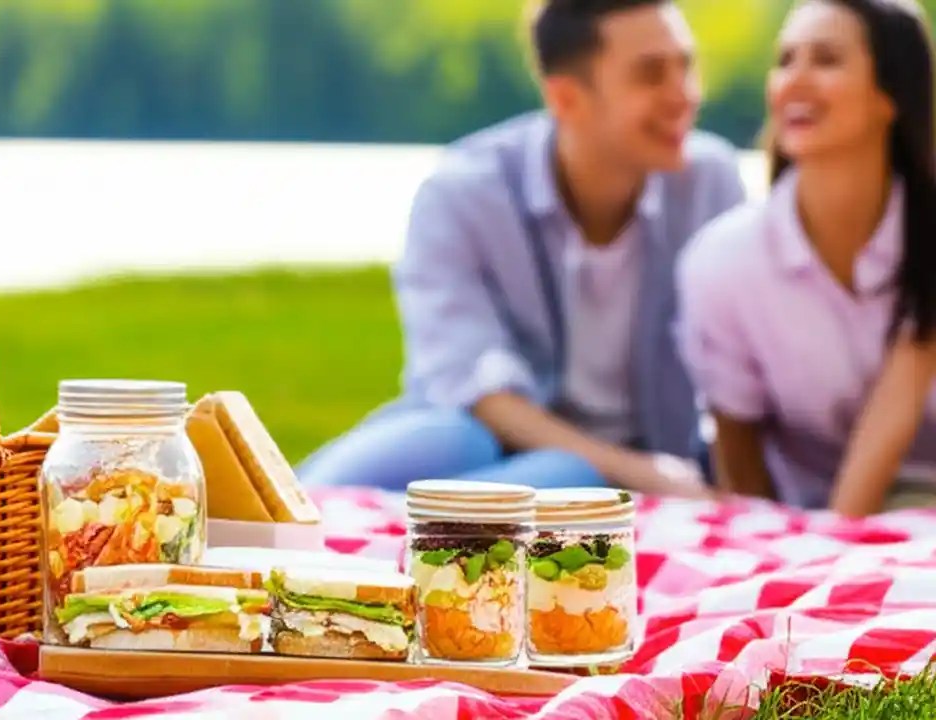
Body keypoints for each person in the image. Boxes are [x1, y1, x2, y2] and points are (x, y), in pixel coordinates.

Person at [298, 0, 746, 494]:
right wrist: (638, 472)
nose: (683, 95)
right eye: (651, 75)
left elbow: (737, 368)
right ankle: (269, 514)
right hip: (477, 439)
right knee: (454, 438)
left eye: (686, 66)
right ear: (567, 99)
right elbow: (476, 392)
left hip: (588, 476)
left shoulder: (710, 185)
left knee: (567, 475)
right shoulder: (463, 193)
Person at [676, 0, 936, 516]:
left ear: (891, 95)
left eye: (826, 59)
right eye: (785, 59)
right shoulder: (722, 264)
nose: (794, 80)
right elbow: (741, 469)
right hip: (813, 527)